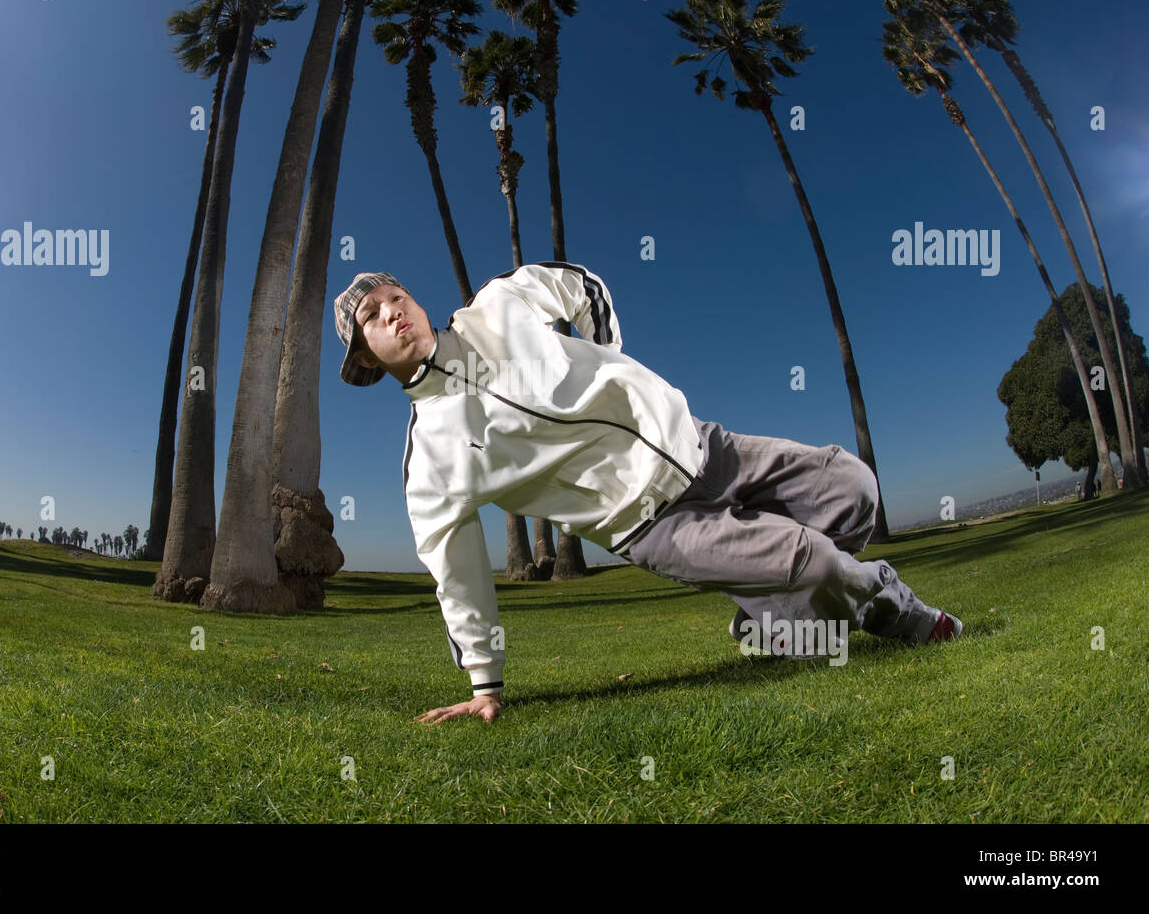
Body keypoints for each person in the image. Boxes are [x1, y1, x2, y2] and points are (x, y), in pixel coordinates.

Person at [332, 263, 963, 725]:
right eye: (373, 315)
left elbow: (582, 285)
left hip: (701, 446)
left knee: (851, 488)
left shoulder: (497, 307)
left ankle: (770, 622)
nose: (392, 310)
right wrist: (485, 684)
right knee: (813, 562)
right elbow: (455, 570)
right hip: (650, 522)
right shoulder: (431, 459)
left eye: (397, 295)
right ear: (366, 355)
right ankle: (908, 619)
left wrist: (613, 365)